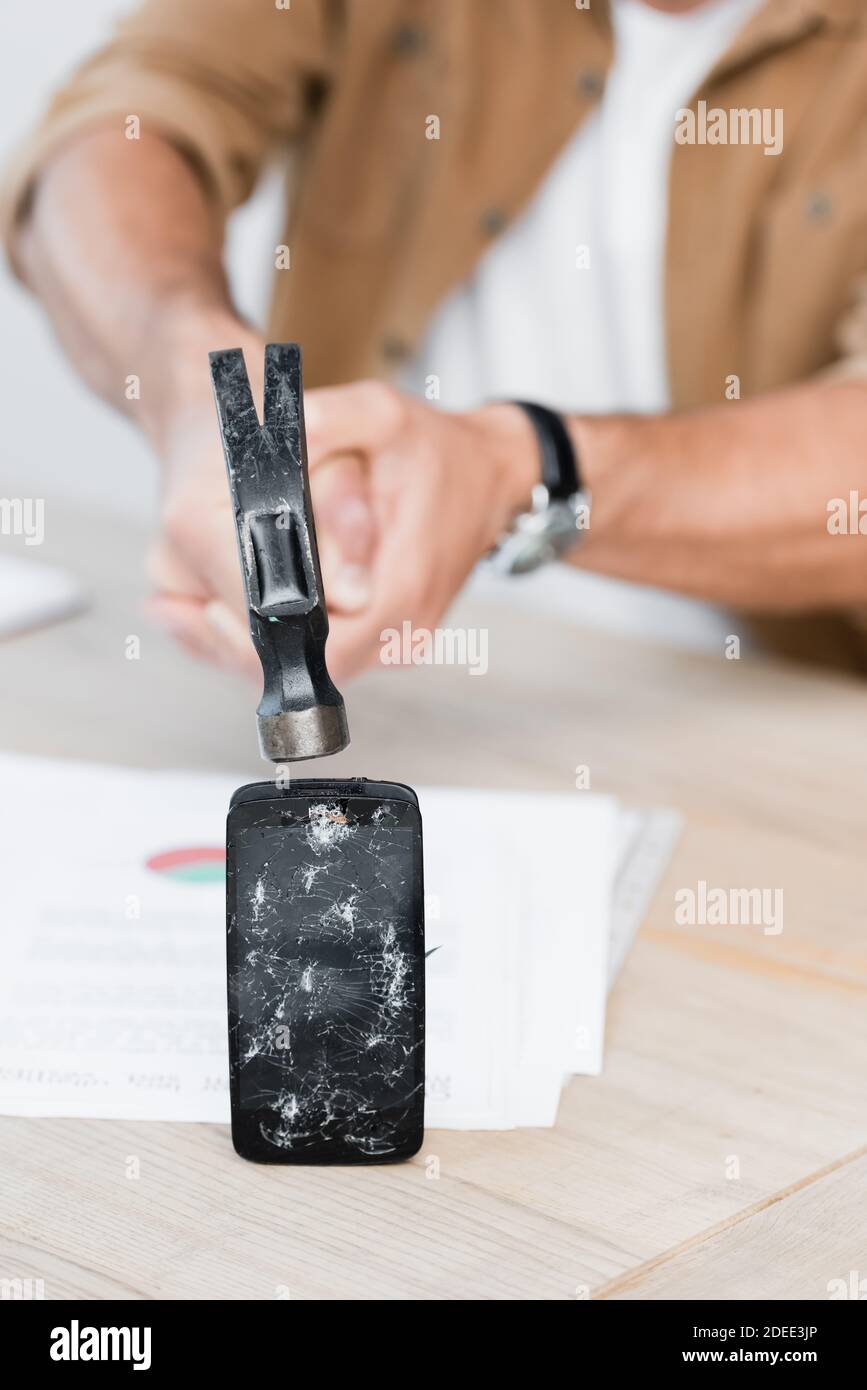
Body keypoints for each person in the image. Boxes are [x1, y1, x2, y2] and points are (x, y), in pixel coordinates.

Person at [4, 0, 867, 680]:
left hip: (758, 717)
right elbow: (110, 133)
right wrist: (195, 386)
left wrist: (517, 468)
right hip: (394, 701)